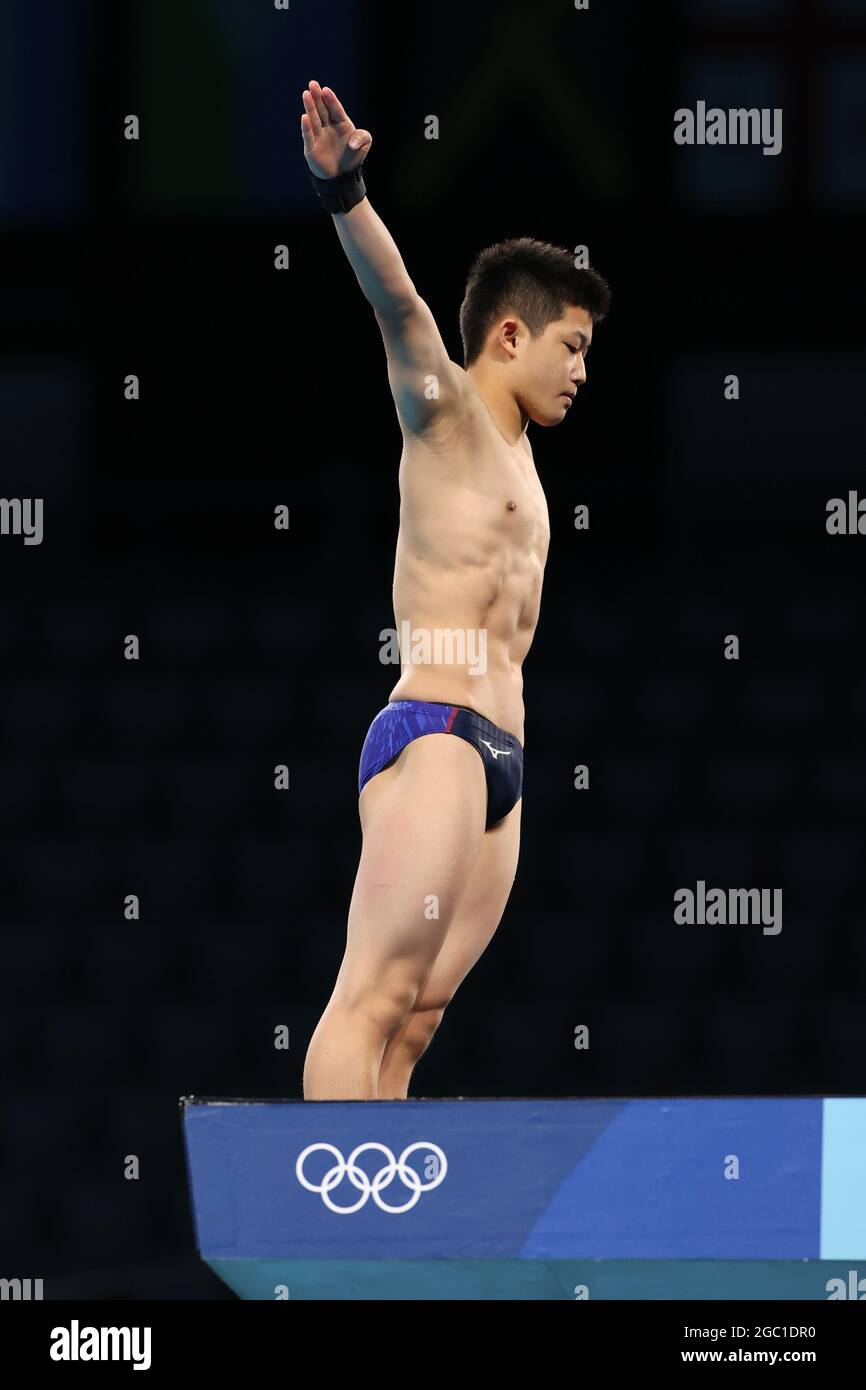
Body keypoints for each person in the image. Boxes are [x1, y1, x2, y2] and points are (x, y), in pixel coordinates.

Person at [299, 79, 611, 1100]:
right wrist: (346, 193)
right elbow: (400, 306)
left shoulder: (526, 467)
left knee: (417, 1024)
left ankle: (380, 1194)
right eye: (571, 348)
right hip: (434, 733)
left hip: (502, 765)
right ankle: (323, 1197)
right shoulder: (445, 418)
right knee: (373, 997)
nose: (581, 372)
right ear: (511, 336)